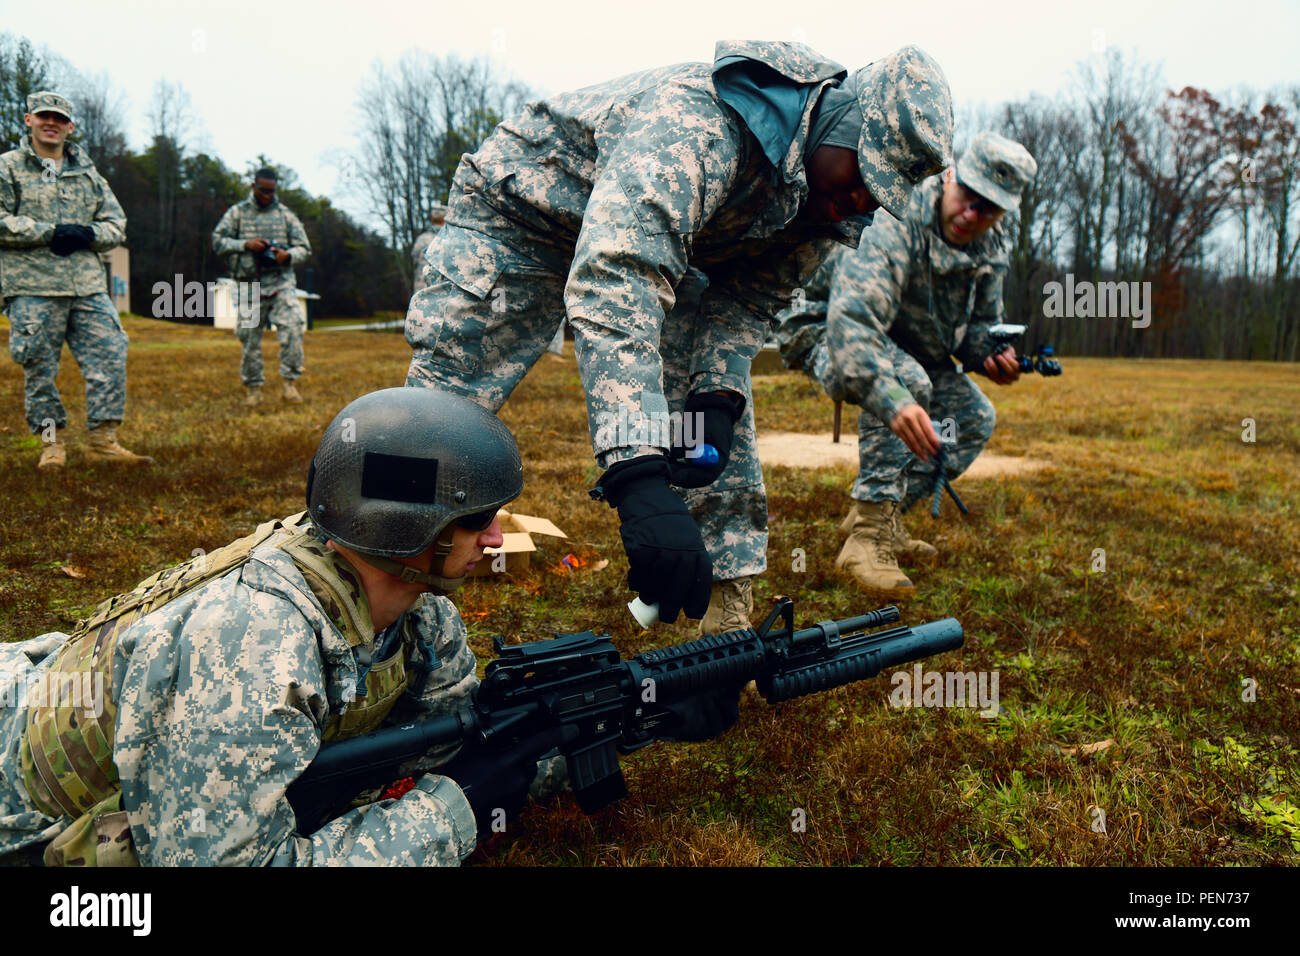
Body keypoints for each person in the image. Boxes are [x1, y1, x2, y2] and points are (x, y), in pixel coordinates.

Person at [406, 41, 954, 633]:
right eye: (862, 173)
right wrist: (637, 473)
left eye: (879, 191)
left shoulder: (829, 203)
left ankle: (723, 628)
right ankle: (369, 574)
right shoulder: (700, 122)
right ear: (838, 122)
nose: (861, 199)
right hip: (524, 218)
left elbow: (748, 299)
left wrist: (714, 395)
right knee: (436, 425)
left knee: (718, 424)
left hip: (666, 252)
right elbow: (620, 277)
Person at [0, 387, 560, 866]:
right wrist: (451, 812)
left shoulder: (419, 612)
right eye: (479, 519)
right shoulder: (251, 651)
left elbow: (444, 742)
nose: (493, 540)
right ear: (410, 527)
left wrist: (540, 746)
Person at [776, 131, 1037, 591]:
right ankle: (866, 538)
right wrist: (894, 400)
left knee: (974, 417)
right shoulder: (897, 216)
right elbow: (853, 320)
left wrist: (992, 356)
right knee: (905, 381)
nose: (971, 216)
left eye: (988, 210)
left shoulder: (990, 251)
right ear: (951, 175)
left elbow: (978, 329)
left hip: (913, 347)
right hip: (828, 330)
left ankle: (883, 511)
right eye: (968, 198)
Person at [1, 90, 150, 470]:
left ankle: (104, 438)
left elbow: (115, 223)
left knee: (111, 352)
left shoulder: (88, 173)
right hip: (32, 286)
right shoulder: (9, 167)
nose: (51, 123)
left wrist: (88, 234)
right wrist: (49, 231)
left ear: (69, 126)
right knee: (39, 369)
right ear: (29, 120)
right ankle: (52, 444)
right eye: (43, 116)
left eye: (59, 119)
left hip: (86, 286)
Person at [212, 167, 312, 407]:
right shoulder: (237, 213)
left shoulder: (286, 215)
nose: (268, 195)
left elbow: (304, 248)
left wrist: (286, 255)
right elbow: (218, 241)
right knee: (249, 338)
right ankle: (253, 389)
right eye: (263, 190)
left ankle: (289, 385)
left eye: (272, 191)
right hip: (248, 284)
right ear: (253, 187)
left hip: (281, 282)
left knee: (293, 329)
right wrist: (245, 244)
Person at [411, 204, 447, 294]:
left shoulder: (421, 239)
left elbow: (414, 261)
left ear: (432, 219)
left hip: (422, 290)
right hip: (444, 292)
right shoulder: (451, 239)